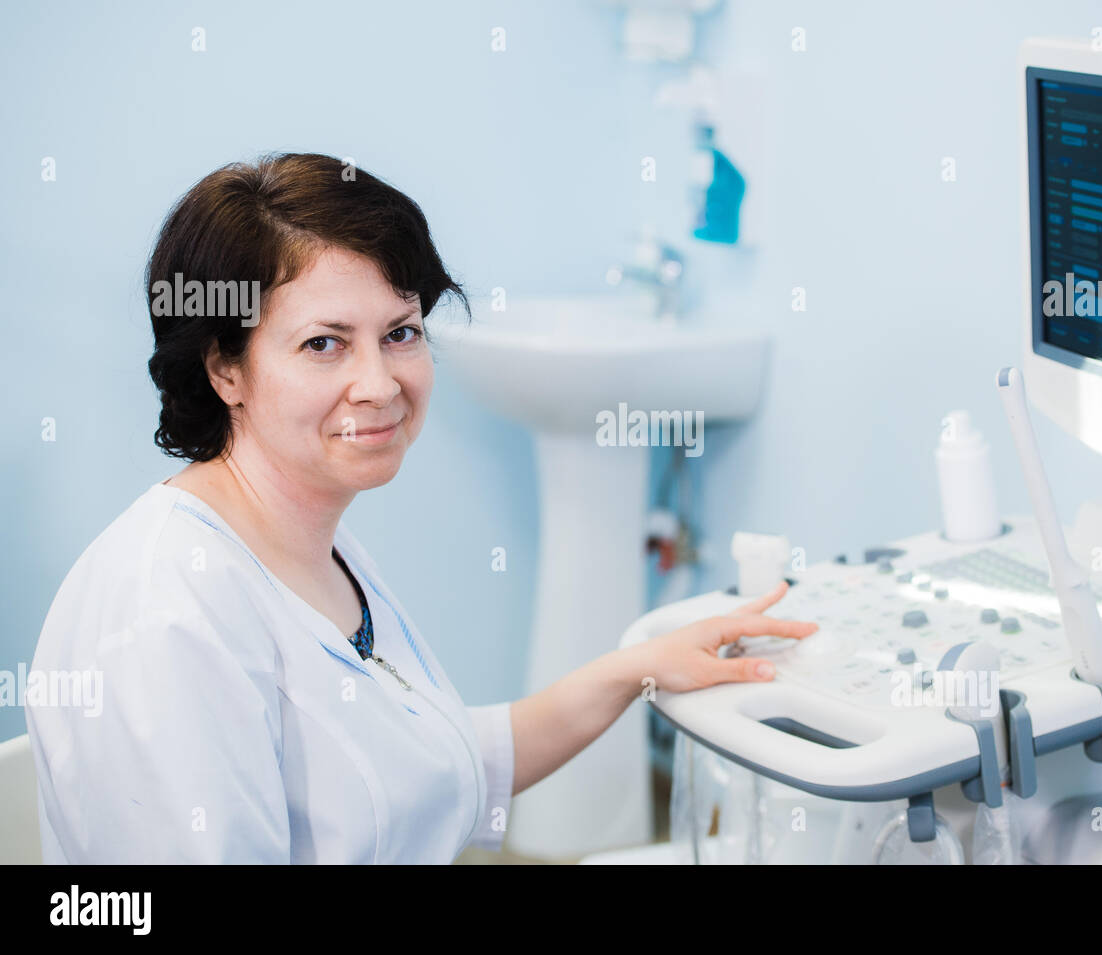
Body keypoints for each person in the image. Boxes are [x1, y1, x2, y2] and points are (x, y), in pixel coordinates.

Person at [25, 153, 817, 863]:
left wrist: (636, 669)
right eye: (324, 343)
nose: (379, 382)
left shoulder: (312, 546)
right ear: (225, 369)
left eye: (400, 332)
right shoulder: (168, 611)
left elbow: (435, 764)